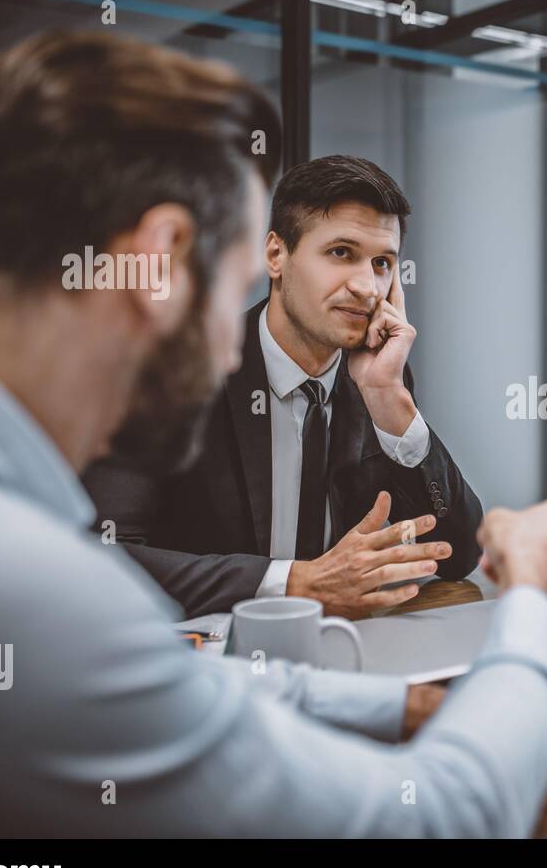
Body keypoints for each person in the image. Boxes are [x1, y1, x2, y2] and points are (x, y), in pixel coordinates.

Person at [0, 29, 547, 837]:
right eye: (232, 282)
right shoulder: (17, 578)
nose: (231, 344)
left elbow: (160, 675)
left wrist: (380, 703)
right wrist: (530, 606)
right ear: (163, 261)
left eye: (384, 265)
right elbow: (441, 820)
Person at [83, 155, 483, 620]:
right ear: (276, 255)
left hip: (344, 654)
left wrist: (390, 400)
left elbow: (459, 555)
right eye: (341, 253)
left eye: (382, 263)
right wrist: (292, 583)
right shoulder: (174, 372)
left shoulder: (378, 378)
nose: (367, 286)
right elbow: (102, 555)